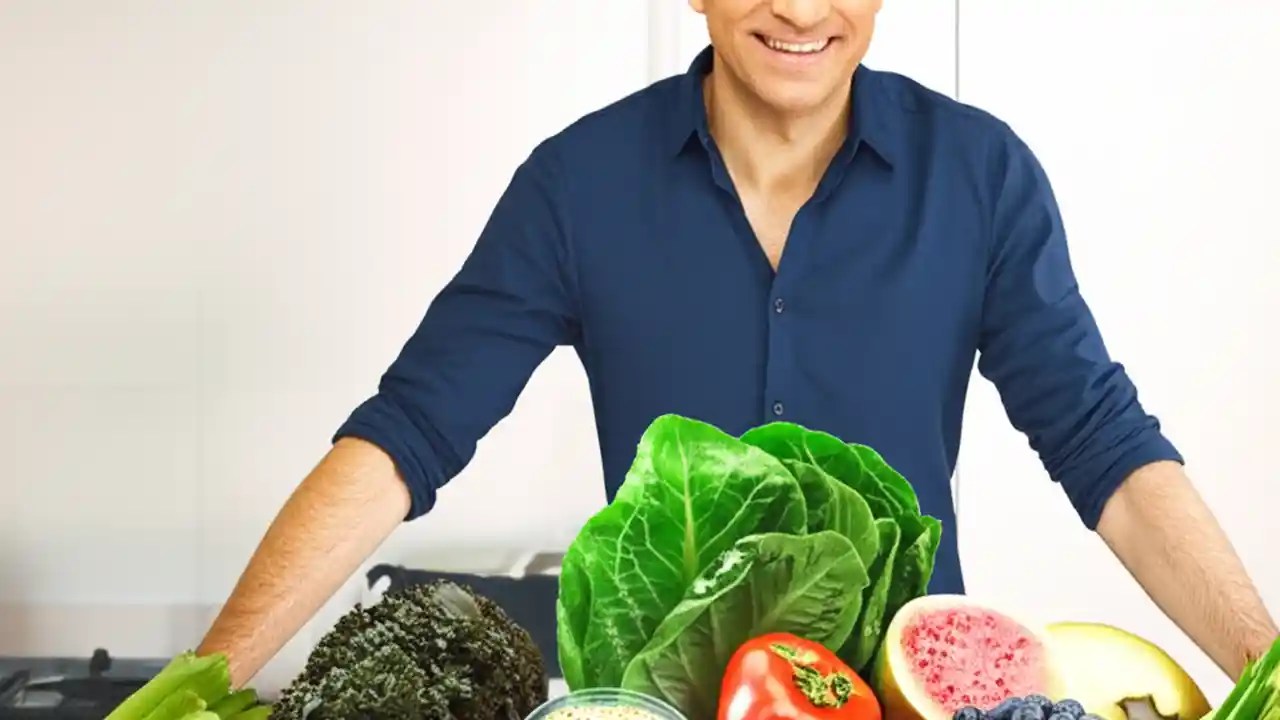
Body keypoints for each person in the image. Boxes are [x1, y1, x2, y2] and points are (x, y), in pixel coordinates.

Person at [199, 0, 1276, 688]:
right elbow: (406, 437)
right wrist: (199, 683)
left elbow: (1104, 450)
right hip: (653, 705)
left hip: (897, 706)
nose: (801, 9)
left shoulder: (979, 178)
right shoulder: (574, 187)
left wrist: (1261, 667)